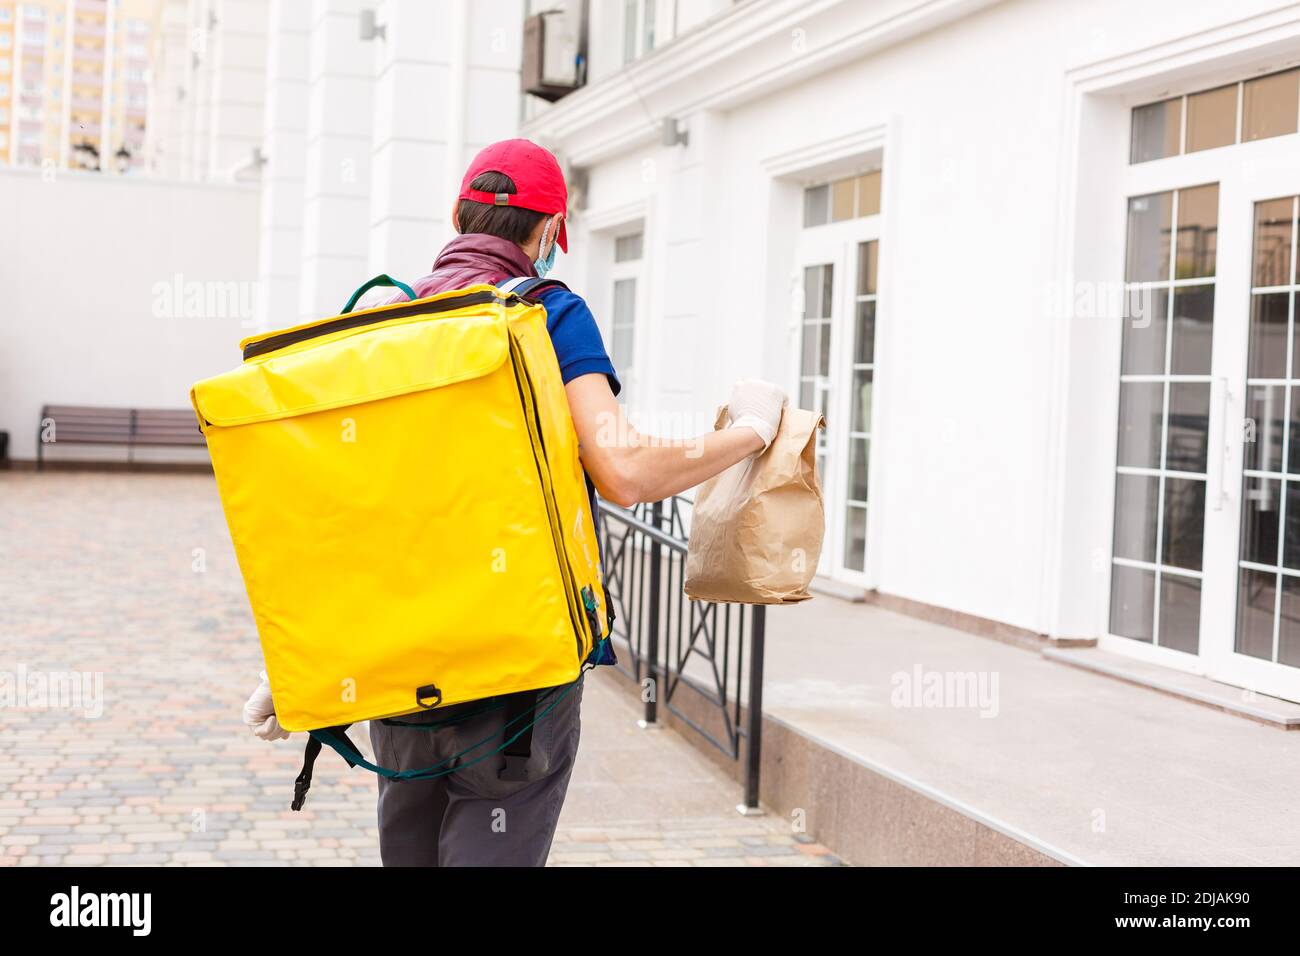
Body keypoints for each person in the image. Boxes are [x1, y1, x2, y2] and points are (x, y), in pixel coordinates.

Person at [242, 138, 787, 867]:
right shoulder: (546, 315)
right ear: (549, 234)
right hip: (514, 677)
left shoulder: (388, 325)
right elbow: (624, 469)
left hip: (398, 670)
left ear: (457, 217)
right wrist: (748, 436)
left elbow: (344, 511)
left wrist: (300, 663)